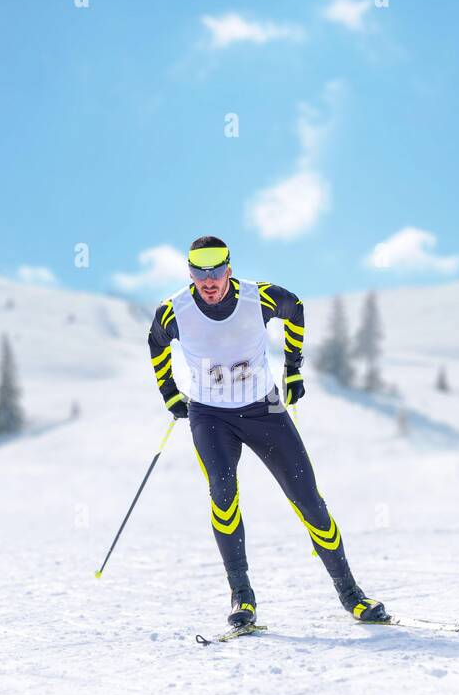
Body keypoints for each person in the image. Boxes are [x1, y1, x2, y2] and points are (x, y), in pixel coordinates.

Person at [146, 235, 388, 628]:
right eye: (199, 272)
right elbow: (156, 344)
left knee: (307, 499)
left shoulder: (260, 297)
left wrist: (293, 368)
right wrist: (170, 393)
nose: (209, 281)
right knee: (223, 495)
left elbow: (296, 310)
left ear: (229, 268)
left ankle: (352, 595)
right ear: (189, 272)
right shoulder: (174, 311)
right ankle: (242, 598)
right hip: (211, 415)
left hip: (266, 408)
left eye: (216, 271)